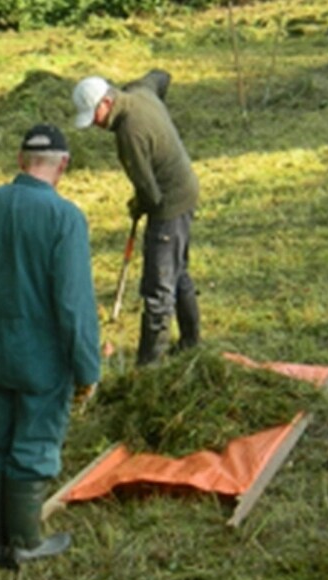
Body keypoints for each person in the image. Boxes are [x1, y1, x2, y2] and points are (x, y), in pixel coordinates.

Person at [0, 123, 101, 570]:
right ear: (63, 165)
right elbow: (74, 305)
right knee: (33, 446)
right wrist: (88, 370)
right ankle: (24, 542)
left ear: (21, 161)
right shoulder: (66, 218)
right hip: (41, 360)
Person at [72, 71, 200, 366]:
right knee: (178, 271)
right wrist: (160, 120)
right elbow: (162, 77)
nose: (95, 125)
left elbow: (150, 195)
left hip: (169, 204)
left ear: (107, 102)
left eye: (94, 117)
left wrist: (137, 205)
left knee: (159, 288)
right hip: (187, 189)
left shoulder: (129, 133)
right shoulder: (141, 91)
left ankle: (148, 367)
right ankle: (191, 343)